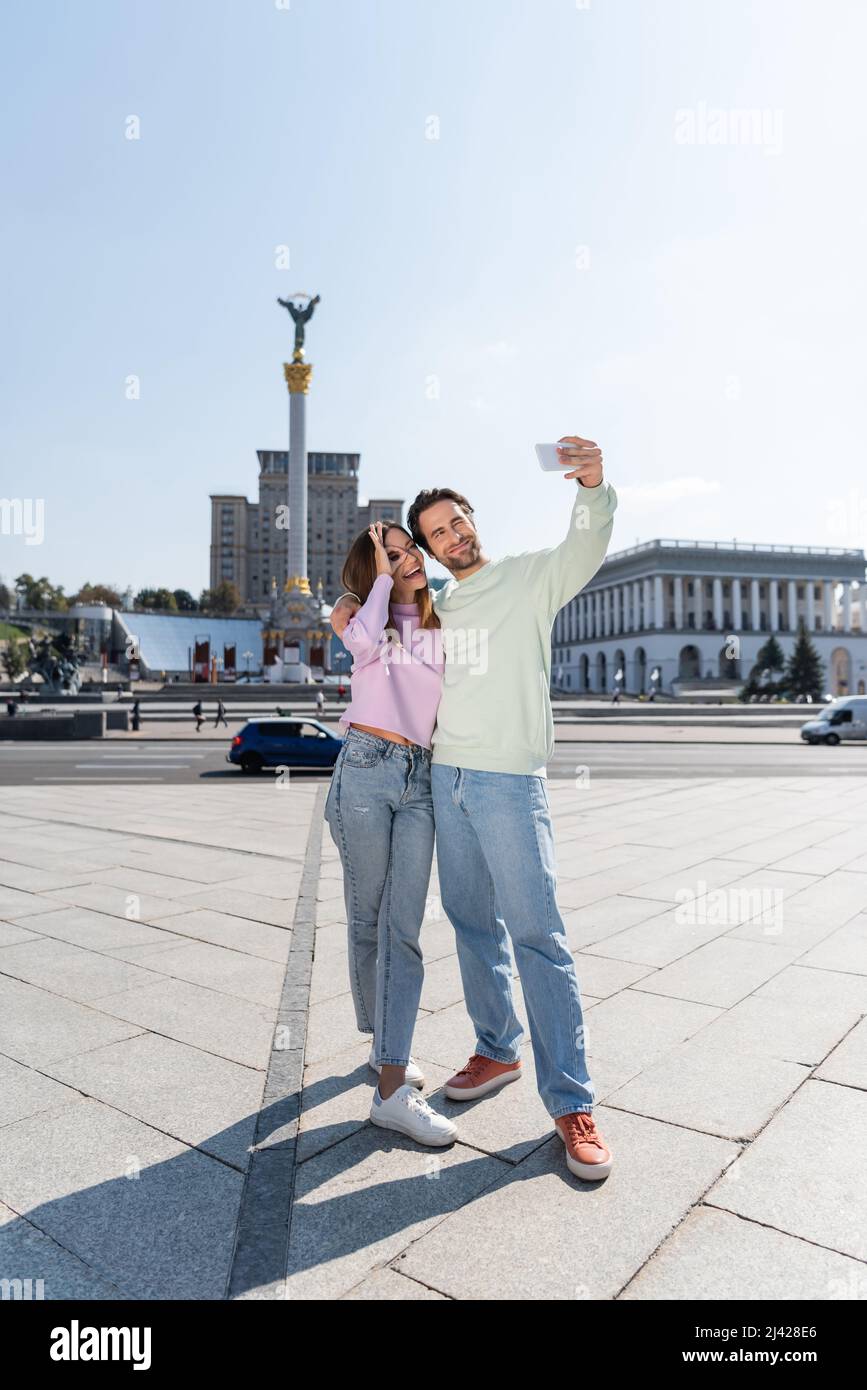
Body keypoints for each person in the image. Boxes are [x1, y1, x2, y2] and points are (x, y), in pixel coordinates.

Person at [404, 435, 618, 1181]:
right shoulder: (436, 605)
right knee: (468, 922)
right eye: (437, 533)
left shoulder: (529, 578)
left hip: (506, 783)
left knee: (538, 938)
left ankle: (571, 1105)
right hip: (448, 779)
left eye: (457, 521)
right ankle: (496, 1050)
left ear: (472, 520)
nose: (453, 535)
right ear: (428, 548)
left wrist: (590, 483)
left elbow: (583, 544)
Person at [327, 521, 455, 1147]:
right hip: (366, 770)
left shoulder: (440, 627)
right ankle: (386, 1063)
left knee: (402, 930)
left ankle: (390, 1072)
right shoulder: (354, 613)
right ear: (375, 563)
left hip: (421, 779)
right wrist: (379, 578)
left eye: (413, 551)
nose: (410, 560)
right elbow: (364, 648)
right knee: (366, 918)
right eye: (395, 553)